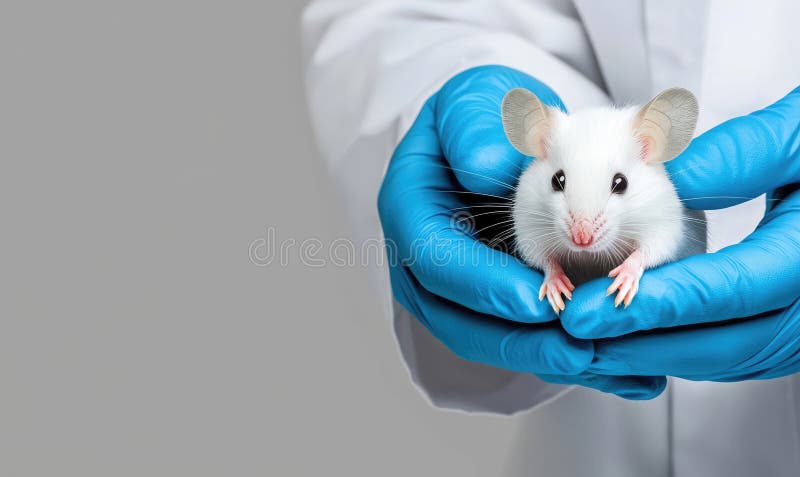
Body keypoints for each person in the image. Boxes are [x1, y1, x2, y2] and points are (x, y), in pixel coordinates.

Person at [301, 1, 800, 475]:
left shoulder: (652, 181)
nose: (583, 230)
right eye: (557, 183)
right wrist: (441, 85)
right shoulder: (538, 183)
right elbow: (404, 16)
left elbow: (667, 232)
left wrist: (635, 263)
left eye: (620, 186)